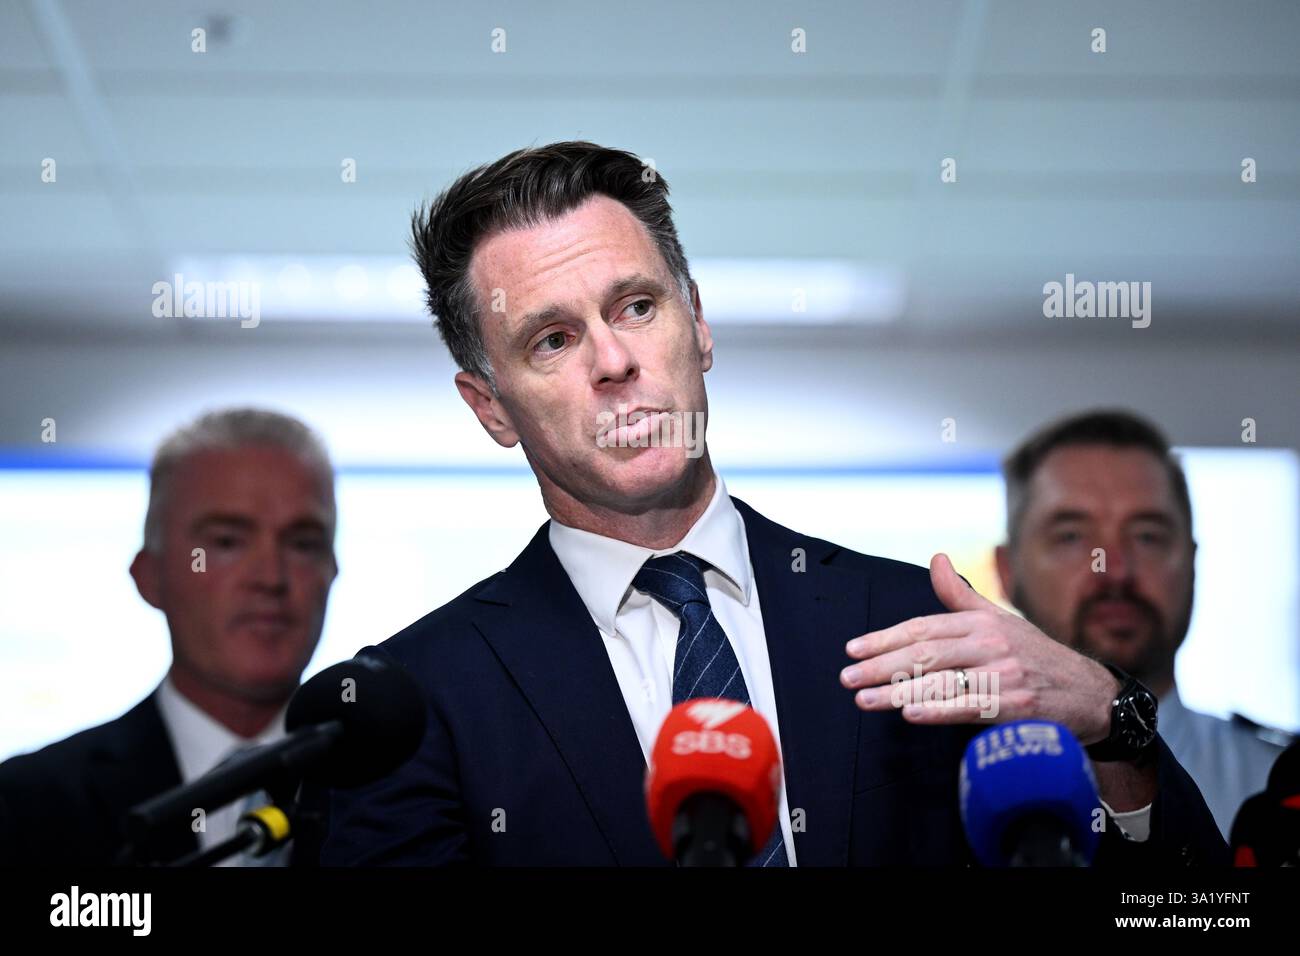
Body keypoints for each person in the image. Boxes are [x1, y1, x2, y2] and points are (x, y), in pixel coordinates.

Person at [322, 141, 1226, 866]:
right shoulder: (415, 708)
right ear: (491, 409)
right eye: (553, 340)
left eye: (636, 307)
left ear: (698, 322)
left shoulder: (919, 625)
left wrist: (1117, 723)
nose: (613, 361)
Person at [0, 408, 338, 866]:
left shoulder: (398, 786)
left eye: (302, 543)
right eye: (225, 542)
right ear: (149, 576)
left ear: (332, 571)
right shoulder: (24, 804)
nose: (271, 577)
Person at [995, 408, 1290, 840]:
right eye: (1072, 536)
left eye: (1148, 536)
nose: (1115, 570)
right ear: (1007, 571)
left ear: (1191, 563)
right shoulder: (930, 785)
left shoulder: (1282, 787)